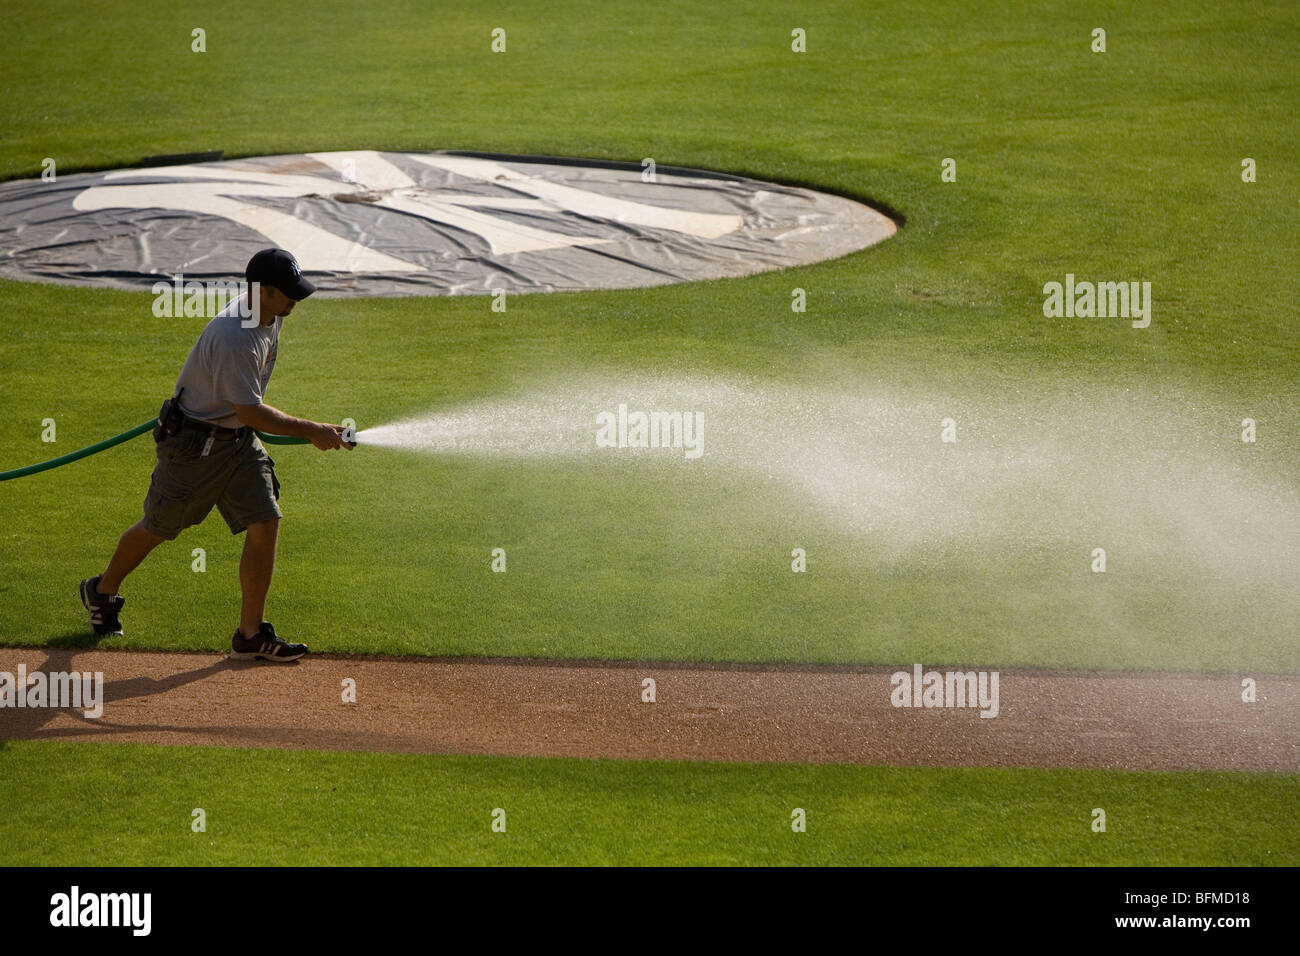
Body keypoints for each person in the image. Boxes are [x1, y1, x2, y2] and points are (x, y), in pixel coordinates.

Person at [80, 248, 352, 661]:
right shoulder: (234, 336)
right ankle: (101, 591)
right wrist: (313, 430)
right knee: (158, 528)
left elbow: (246, 410)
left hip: (237, 439)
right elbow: (251, 409)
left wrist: (316, 430)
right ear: (263, 291)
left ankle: (250, 635)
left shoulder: (270, 316)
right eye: (287, 292)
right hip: (195, 446)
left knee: (265, 520)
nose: (295, 299)